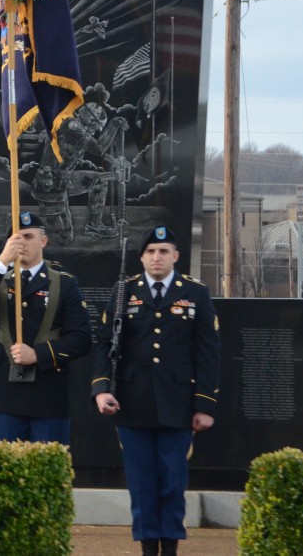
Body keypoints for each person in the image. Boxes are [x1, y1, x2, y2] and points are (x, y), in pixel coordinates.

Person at [92, 226, 221, 556]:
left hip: (178, 405)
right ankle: (148, 548)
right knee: (142, 485)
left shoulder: (195, 293)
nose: (156, 257)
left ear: (176, 256)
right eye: (150, 251)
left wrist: (205, 404)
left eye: (163, 251)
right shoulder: (125, 291)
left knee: (172, 483)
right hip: (132, 404)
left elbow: (208, 352)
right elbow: (106, 343)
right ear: (141, 257)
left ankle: (170, 548)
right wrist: (102, 389)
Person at [0, 211, 91, 444]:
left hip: (46, 396)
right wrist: (2, 261)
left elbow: (82, 338)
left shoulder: (64, 283)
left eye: (28, 236)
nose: (22, 243)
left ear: (43, 241)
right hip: (3, 394)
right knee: (6, 475)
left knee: (47, 476)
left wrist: (38, 354)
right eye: (15, 239)